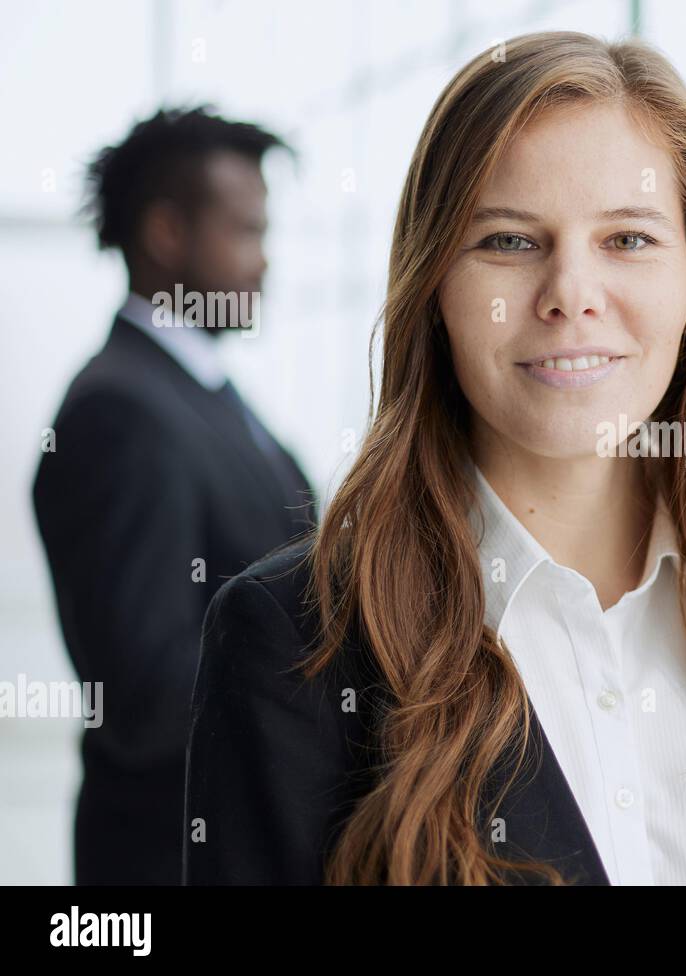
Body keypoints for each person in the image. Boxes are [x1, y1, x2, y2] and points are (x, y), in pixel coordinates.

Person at [184, 32, 686, 886]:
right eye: (510, 242)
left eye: (628, 240)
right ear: (432, 285)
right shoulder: (293, 643)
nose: (570, 296)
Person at [31, 106, 316, 884]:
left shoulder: (204, 392)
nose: (266, 263)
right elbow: (150, 696)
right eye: (247, 232)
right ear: (165, 234)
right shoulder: (118, 414)